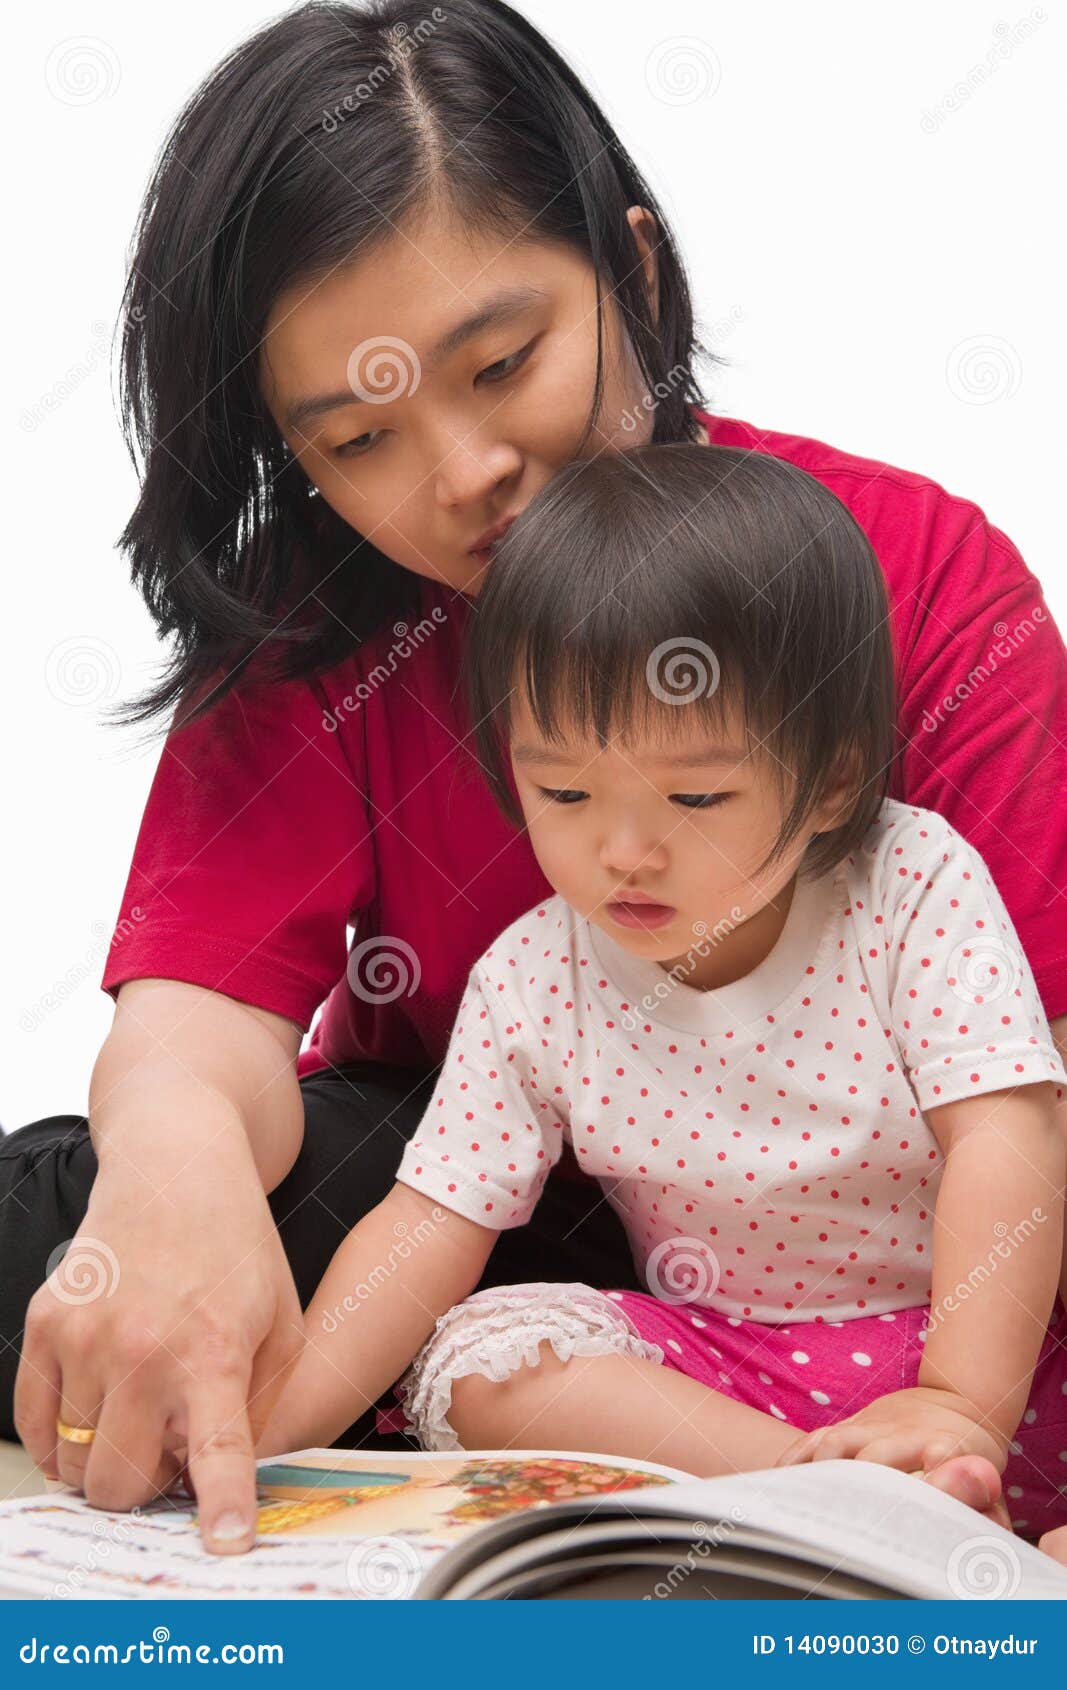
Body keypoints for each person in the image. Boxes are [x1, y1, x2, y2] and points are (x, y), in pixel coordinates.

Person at [2, 0, 1064, 1559]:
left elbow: (1020, 1092)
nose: (459, 475)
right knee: (61, 1209)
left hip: (920, 1248)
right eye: (358, 435)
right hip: (526, 1223)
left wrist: (972, 1389)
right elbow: (199, 1031)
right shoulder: (325, 635)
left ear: (628, 271)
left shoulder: (905, 573)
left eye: (501, 364)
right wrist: (172, 1197)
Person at [249, 443, 1067, 1542]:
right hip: (727, 1380)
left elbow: (1004, 1137)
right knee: (484, 1352)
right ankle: (823, 1492)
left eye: (694, 793)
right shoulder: (539, 975)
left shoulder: (907, 885)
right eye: (566, 788)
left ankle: (933, 1483)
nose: (623, 850)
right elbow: (427, 1221)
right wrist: (269, 1428)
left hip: (994, 1363)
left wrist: (959, 1400)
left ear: (829, 775)